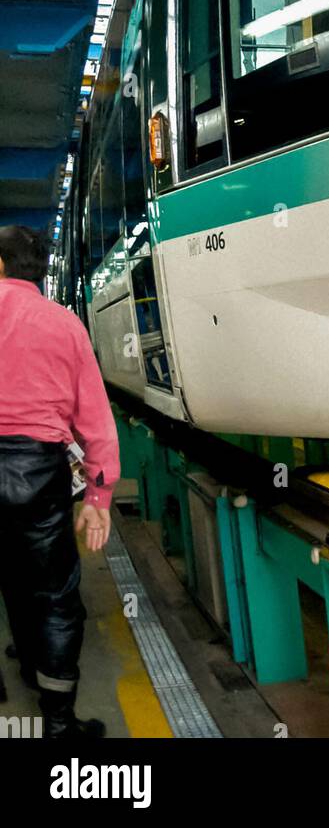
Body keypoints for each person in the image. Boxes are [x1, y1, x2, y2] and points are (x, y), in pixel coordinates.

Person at [0, 224, 120, 738]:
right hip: (38, 470)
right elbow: (96, 420)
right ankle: (58, 723)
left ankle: (23, 663)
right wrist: (99, 494)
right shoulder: (64, 323)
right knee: (52, 593)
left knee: (11, 580)